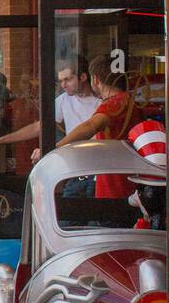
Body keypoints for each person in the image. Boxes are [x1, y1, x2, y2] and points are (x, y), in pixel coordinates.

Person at [57, 55, 146, 199]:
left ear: (95, 79)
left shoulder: (114, 104)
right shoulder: (128, 101)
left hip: (114, 186)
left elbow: (91, 125)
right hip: (126, 182)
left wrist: (56, 147)